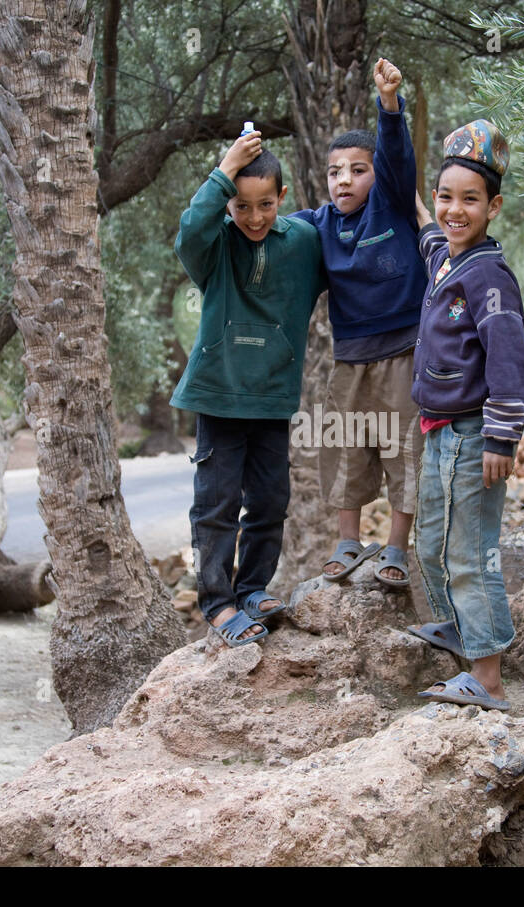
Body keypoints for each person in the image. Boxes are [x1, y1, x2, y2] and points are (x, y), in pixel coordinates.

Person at [170, 131, 325, 647]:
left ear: (283, 199)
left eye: (264, 205)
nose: (254, 218)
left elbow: (350, 252)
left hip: (273, 397)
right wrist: (225, 165)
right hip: (218, 395)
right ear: (228, 203)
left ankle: (253, 588)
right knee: (215, 504)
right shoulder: (214, 246)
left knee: (270, 499)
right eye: (241, 205)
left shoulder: (302, 243)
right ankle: (217, 604)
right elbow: (189, 232)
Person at [407, 120, 524, 710]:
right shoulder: (446, 257)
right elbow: (424, 224)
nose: (454, 210)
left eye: (470, 200)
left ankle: (487, 677)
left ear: (494, 207)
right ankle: (460, 630)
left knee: (468, 550)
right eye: (445, 197)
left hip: (472, 436)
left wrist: (501, 440)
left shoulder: (487, 275)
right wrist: (391, 112)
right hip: (437, 434)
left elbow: (510, 359)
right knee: (430, 540)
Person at [289, 57, 425, 590]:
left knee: (405, 453)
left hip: (405, 356)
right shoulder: (318, 226)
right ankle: (346, 542)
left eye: (357, 169)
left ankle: (395, 548)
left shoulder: (390, 206)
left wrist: (389, 104)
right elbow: (271, 232)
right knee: (342, 448)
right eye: (334, 171)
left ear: (377, 176)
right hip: (350, 360)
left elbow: (397, 155)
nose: (344, 179)